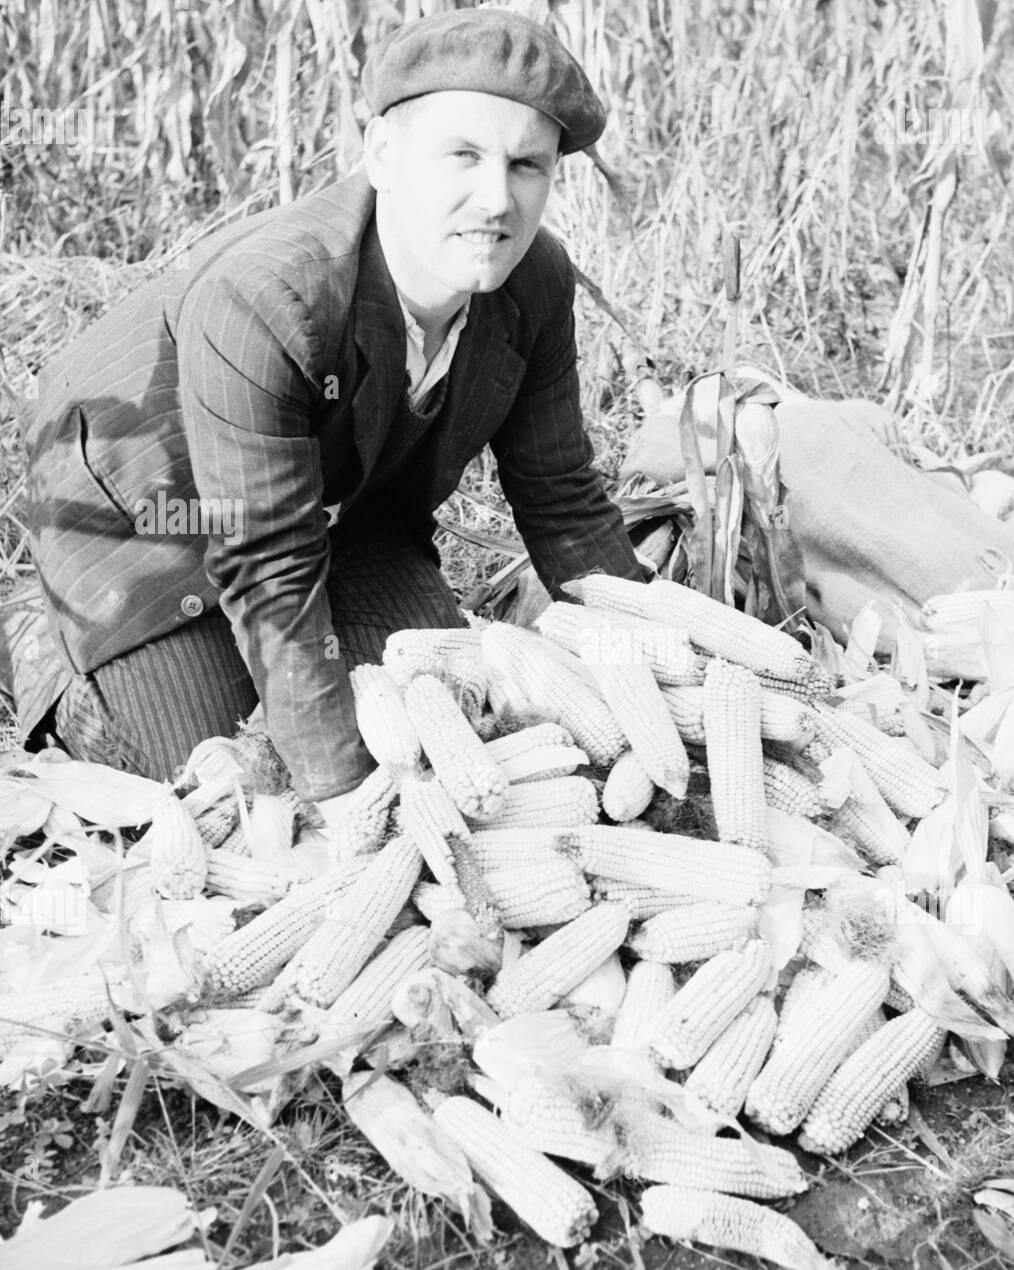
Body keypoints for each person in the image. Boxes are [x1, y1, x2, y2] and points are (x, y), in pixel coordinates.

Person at [12, 8, 643, 822]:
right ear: (383, 154)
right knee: (231, 767)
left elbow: (559, 495)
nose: (496, 198)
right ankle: (34, 640)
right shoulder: (273, 293)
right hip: (153, 506)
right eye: (464, 155)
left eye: (527, 164)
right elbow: (268, 559)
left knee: (440, 706)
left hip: (341, 498)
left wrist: (654, 658)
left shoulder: (533, 280)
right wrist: (345, 803)